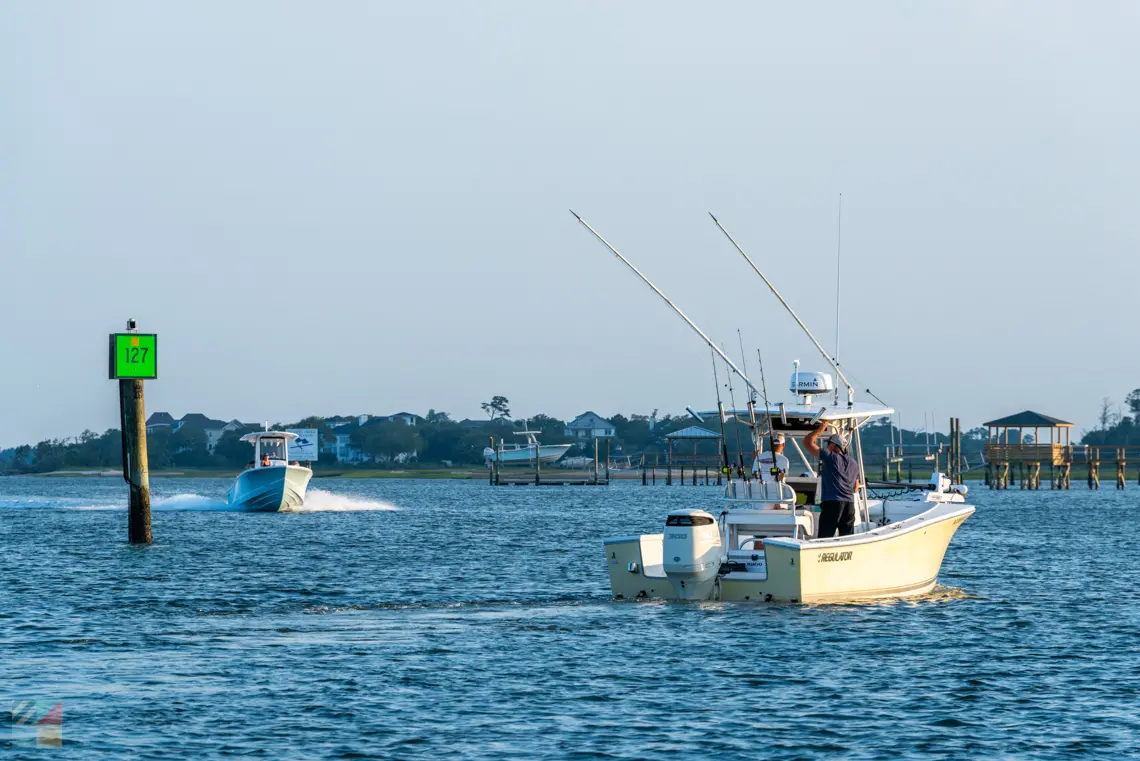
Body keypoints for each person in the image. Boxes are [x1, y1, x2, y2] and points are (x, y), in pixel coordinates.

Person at [802, 421, 860, 537]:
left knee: (825, 538)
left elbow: (807, 442)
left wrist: (821, 428)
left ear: (833, 445)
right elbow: (855, 488)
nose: (827, 447)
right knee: (847, 538)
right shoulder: (854, 463)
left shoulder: (830, 456)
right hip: (849, 505)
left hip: (832, 504)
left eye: (828, 444)